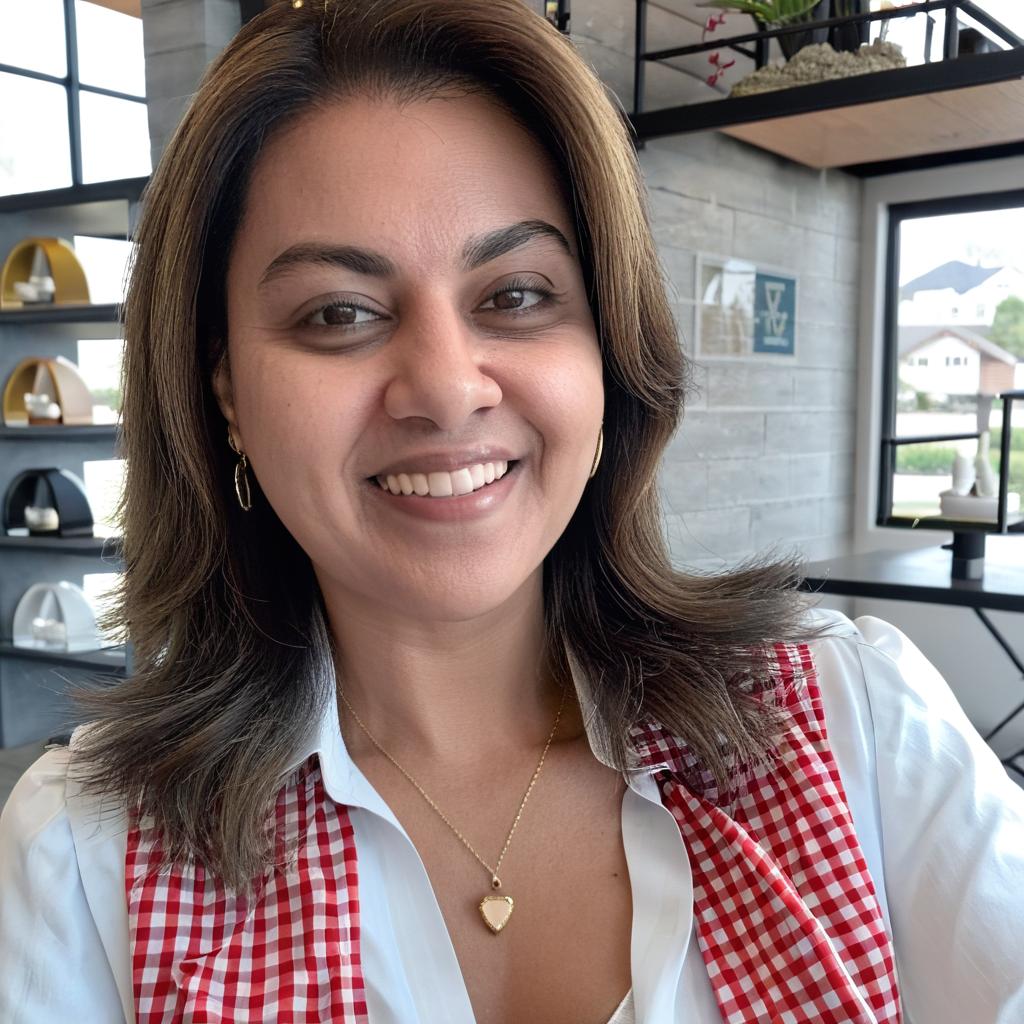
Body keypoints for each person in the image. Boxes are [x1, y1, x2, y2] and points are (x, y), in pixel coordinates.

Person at [1, 1, 1022, 1021]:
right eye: (338, 312)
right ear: (223, 389)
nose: (446, 388)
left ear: (606, 347)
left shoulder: (854, 727)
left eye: (517, 293)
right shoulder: (83, 856)